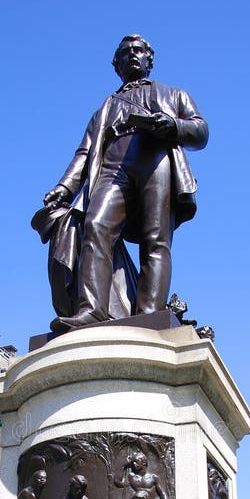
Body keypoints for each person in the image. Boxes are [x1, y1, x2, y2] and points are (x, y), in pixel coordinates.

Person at [43, 34, 208, 332]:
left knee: (155, 239)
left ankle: (149, 313)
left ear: (149, 60)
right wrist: (64, 187)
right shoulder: (104, 109)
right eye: (125, 52)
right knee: (95, 226)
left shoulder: (174, 95)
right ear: (116, 64)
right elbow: (85, 152)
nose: (132, 55)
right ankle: (92, 309)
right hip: (112, 166)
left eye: (138, 51)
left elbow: (200, 130)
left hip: (155, 160)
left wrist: (173, 125)